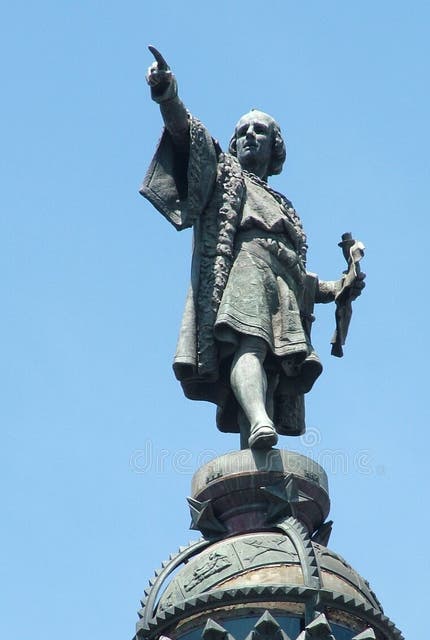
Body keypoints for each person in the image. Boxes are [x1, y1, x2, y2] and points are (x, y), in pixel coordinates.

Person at [141, 47, 365, 449]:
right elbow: (187, 136)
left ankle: (260, 423)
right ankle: (259, 420)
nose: (249, 136)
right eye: (242, 131)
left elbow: (300, 277)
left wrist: (339, 287)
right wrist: (168, 95)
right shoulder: (225, 175)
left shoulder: (285, 206)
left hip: (282, 285)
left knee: (276, 368)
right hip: (246, 270)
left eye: (259, 131)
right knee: (250, 343)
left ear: (274, 146)